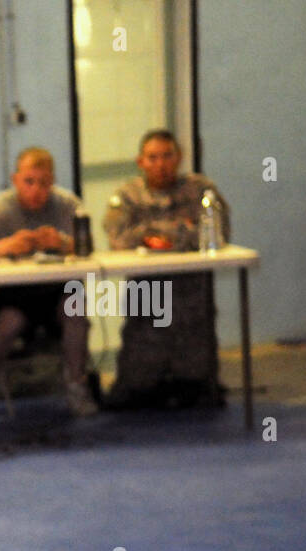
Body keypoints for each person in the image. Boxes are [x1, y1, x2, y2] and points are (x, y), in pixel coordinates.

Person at [0, 147, 97, 416]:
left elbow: (88, 247)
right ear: (15, 180)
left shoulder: (67, 204)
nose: (37, 190)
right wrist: (6, 245)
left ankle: (76, 384)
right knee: (8, 322)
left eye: (44, 183)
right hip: (17, 294)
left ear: (53, 182)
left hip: (58, 290)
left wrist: (63, 243)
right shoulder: (0, 207)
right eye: (29, 182)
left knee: (76, 313)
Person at [103, 128, 229, 408]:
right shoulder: (128, 195)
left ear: (179, 158)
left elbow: (218, 233)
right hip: (148, 288)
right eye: (152, 157)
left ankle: (195, 385)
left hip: (190, 290)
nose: (160, 164)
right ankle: (142, 386)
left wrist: (158, 232)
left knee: (197, 375)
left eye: (167, 156)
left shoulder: (201, 191)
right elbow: (118, 239)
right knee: (138, 380)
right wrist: (178, 230)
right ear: (140, 162)